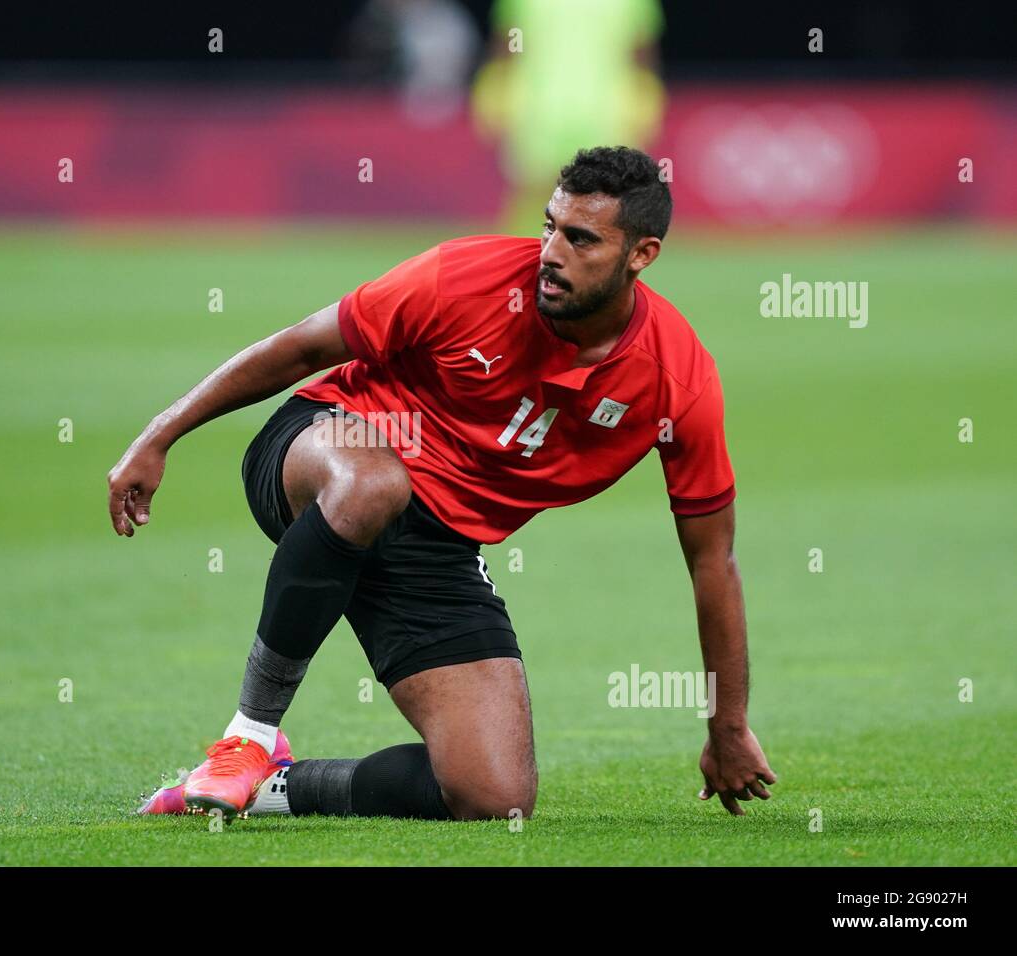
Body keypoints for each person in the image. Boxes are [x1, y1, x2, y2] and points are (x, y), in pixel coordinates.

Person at [112, 146, 776, 821]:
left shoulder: (677, 380)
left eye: (580, 239)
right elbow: (302, 348)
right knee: (373, 485)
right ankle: (247, 738)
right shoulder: (466, 276)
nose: (551, 251)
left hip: (435, 542)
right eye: (549, 226)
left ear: (642, 254)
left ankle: (270, 790)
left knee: (493, 797)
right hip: (324, 448)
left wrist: (728, 725)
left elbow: (711, 560)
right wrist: (161, 434)